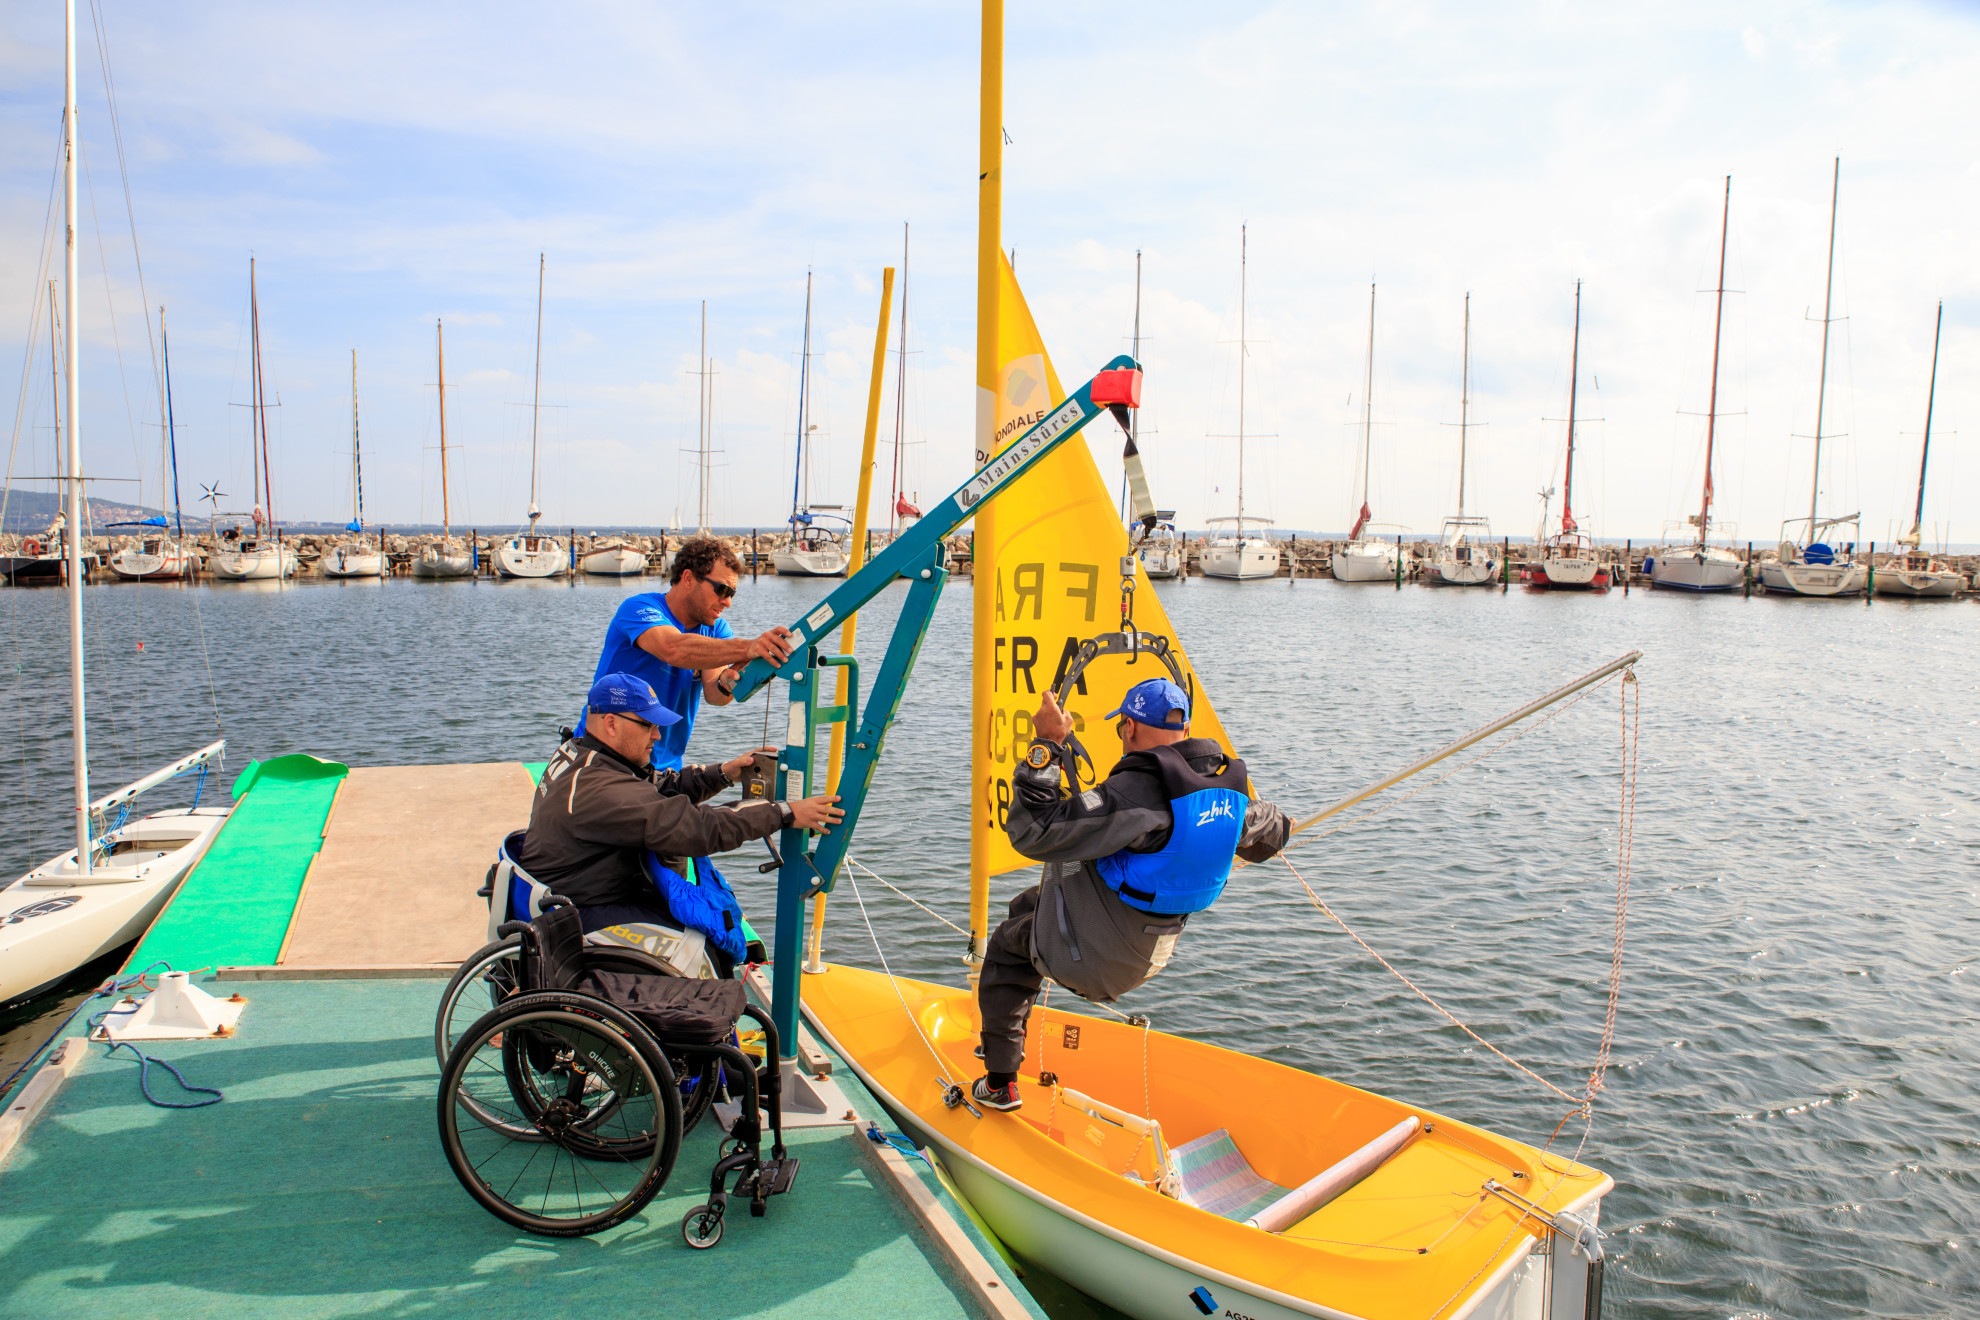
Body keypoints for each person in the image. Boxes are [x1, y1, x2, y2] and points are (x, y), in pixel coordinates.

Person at [973, 676, 1290, 1111]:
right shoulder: (1224, 790)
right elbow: (1276, 828)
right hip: (1154, 948)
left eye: (1121, 728)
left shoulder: (1135, 794)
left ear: (1129, 728)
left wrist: (1045, 743)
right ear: (1184, 729)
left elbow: (1034, 832)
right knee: (1028, 906)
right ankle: (1003, 1030)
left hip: (1098, 957)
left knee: (1007, 947)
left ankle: (999, 1083)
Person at [520, 672, 843, 973]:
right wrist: (784, 813)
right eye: (648, 725)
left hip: (570, 896)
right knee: (706, 949)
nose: (658, 735)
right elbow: (698, 828)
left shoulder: (580, 755)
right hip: (581, 913)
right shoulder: (600, 787)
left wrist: (724, 773)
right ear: (611, 724)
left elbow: (656, 787)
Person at [577, 537, 795, 772]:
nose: (728, 602)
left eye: (732, 593)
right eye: (722, 590)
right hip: (604, 758)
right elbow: (673, 648)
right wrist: (749, 647)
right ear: (689, 578)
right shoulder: (639, 608)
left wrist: (733, 680)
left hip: (664, 769)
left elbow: (714, 694)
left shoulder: (717, 630)